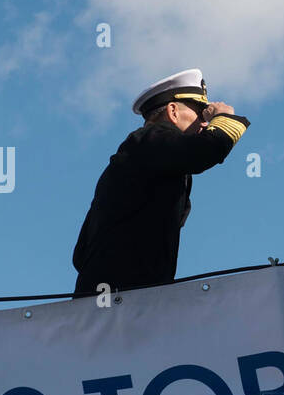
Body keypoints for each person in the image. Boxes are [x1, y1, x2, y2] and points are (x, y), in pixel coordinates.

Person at [72, 68, 249, 297]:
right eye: (200, 113)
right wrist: (224, 116)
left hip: (125, 301)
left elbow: (81, 252)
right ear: (173, 111)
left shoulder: (154, 158)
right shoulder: (149, 140)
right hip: (119, 303)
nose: (204, 124)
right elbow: (205, 152)